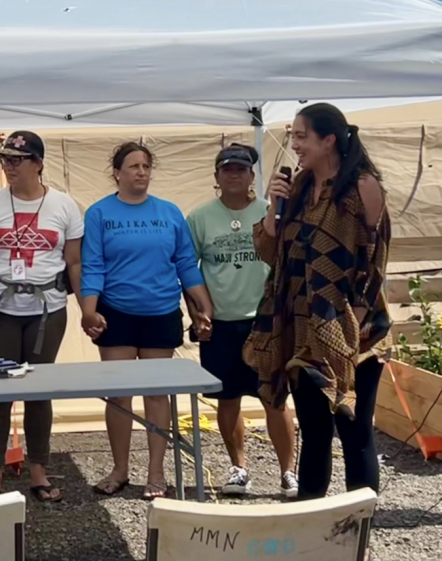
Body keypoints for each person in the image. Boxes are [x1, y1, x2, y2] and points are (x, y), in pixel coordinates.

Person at [244, 104, 390, 501]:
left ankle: (357, 526)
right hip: (301, 324)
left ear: (329, 140)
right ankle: (311, 521)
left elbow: (374, 259)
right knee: (313, 429)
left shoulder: (363, 186)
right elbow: (269, 251)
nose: (295, 145)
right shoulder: (299, 187)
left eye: (302, 136)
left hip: (352, 329)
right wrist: (275, 209)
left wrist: (352, 325)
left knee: (354, 429)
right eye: (292, 137)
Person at [80, 141, 215, 500]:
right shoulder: (99, 213)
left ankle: (156, 472)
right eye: (134, 166)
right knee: (120, 395)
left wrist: (202, 304)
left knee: (157, 395)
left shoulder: (169, 212)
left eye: (146, 166)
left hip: (161, 312)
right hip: (116, 315)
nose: (141, 172)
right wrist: (88, 309)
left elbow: (186, 262)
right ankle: (120, 469)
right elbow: (92, 264)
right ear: (118, 173)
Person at [0, 131, 83, 503]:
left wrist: (89, 309)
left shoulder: (64, 206)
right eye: (5, 160)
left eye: (17, 160)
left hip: (47, 310)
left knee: (39, 390)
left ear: (38, 163)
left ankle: (38, 469)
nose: (8, 166)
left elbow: (75, 262)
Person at [185, 144, 298, 498]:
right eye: (227, 168)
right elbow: (189, 270)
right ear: (217, 177)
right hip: (221, 324)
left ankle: (288, 471)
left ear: (252, 176)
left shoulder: (272, 211)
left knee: (275, 399)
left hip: (265, 322)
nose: (234, 174)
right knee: (227, 397)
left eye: (241, 169)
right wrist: (197, 312)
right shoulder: (199, 218)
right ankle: (238, 467)